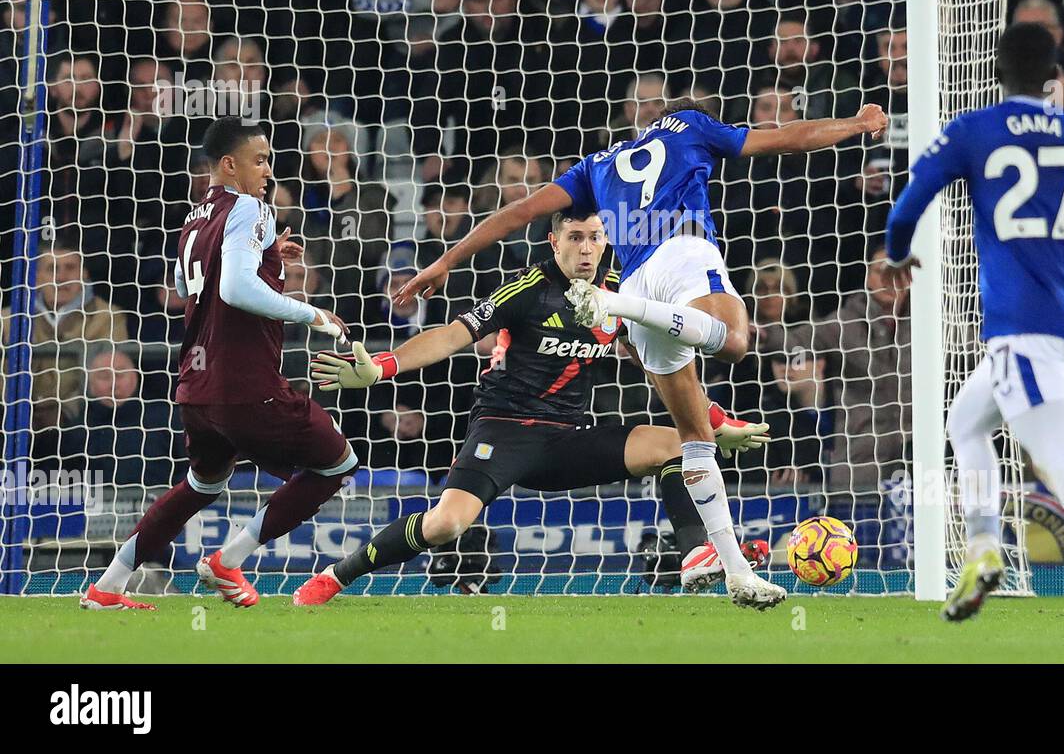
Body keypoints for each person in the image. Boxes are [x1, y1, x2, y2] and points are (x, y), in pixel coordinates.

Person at [396, 101, 888, 608]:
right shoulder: (692, 125)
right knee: (737, 342)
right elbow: (782, 136)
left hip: (636, 281)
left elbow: (517, 212)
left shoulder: (595, 166)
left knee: (695, 438)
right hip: (678, 254)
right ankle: (613, 304)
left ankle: (735, 572)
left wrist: (444, 262)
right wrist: (855, 125)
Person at [296, 211, 769, 604]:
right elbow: (451, 335)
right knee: (447, 523)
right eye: (575, 238)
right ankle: (336, 576)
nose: (586, 249)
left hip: (568, 437)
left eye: (595, 238)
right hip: (505, 431)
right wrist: (384, 366)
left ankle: (696, 555)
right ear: (554, 241)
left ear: (607, 242)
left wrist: (712, 422)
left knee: (674, 445)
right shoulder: (527, 289)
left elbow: (662, 367)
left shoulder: (621, 295)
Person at [883, 23, 1064, 651]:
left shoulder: (973, 129)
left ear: (996, 79)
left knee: (1058, 458)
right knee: (966, 421)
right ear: (1057, 81)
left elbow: (906, 207)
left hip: (1022, 326)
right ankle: (985, 548)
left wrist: (897, 255)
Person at [80, 117, 353, 611]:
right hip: (245, 381)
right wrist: (314, 314)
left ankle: (108, 585)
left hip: (197, 383)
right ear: (230, 164)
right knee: (338, 463)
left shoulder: (195, 217)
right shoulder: (251, 207)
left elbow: (188, 289)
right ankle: (229, 560)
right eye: (260, 160)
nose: (268, 171)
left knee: (201, 483)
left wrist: (269, 256)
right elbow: (235, 288)